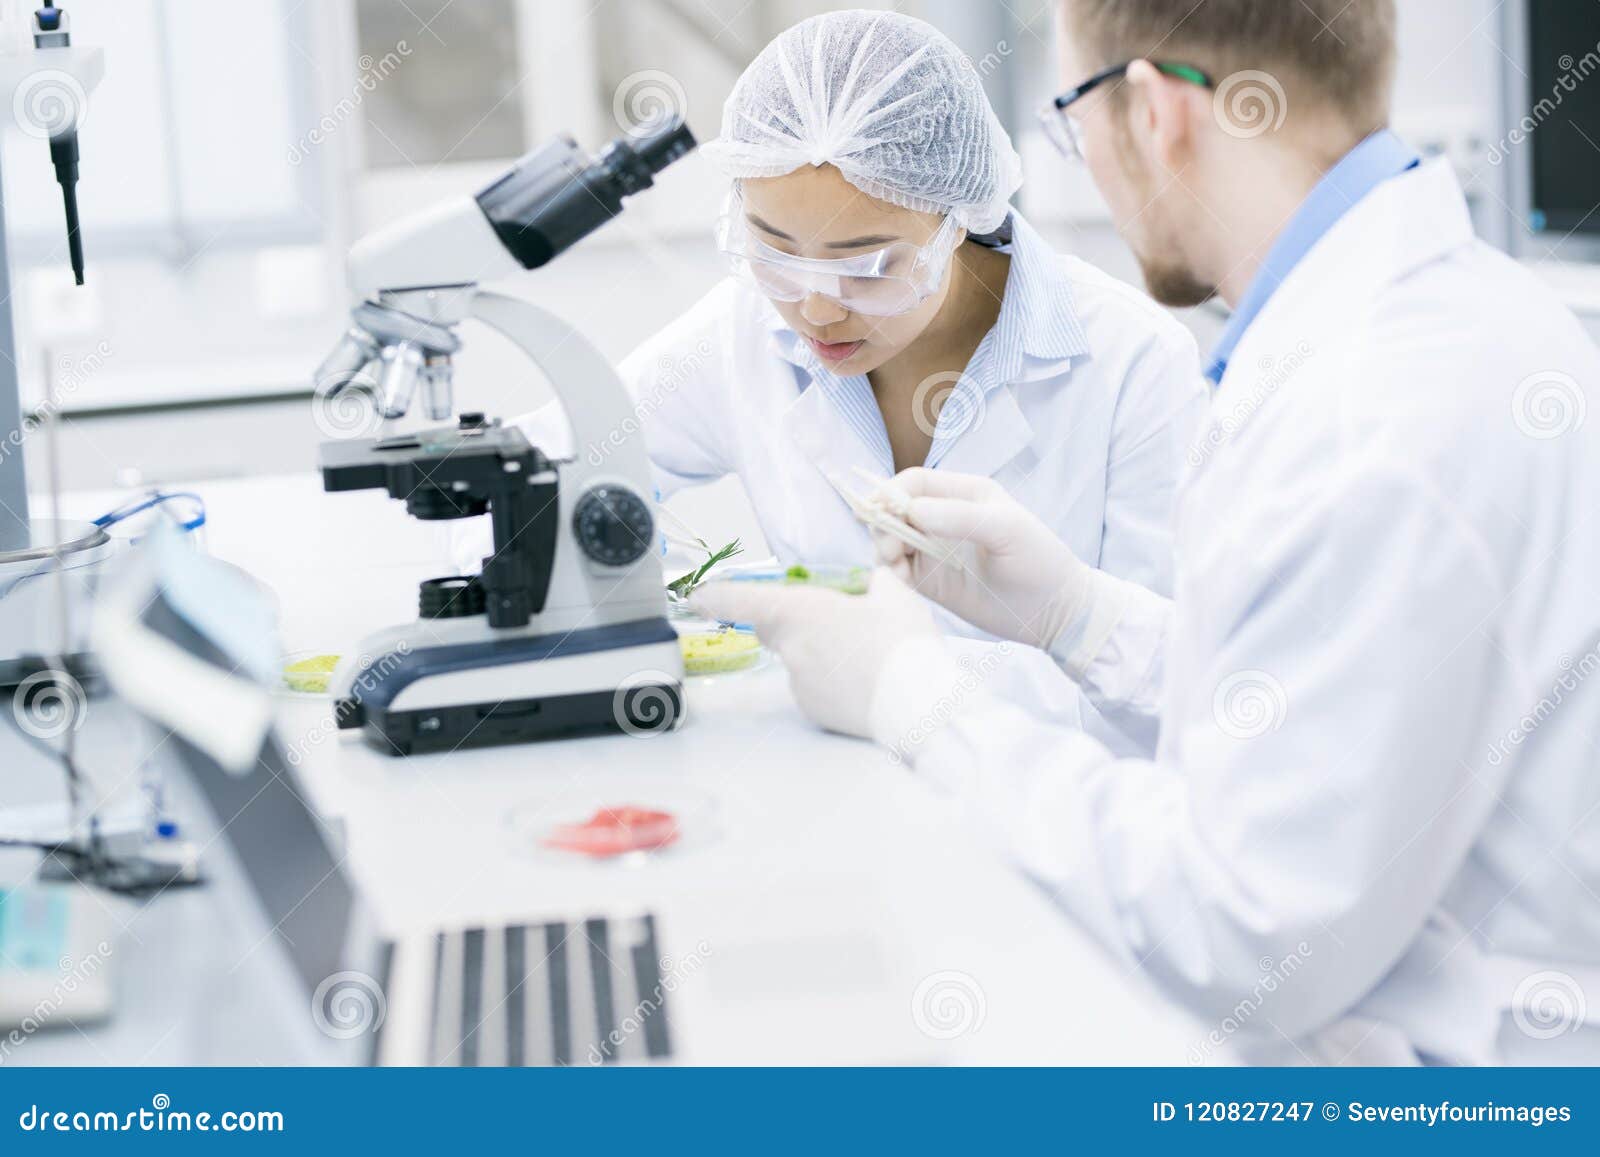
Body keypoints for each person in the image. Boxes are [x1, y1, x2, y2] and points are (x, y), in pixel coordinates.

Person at [695, 0, 1600, 1065]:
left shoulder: (1368, 417)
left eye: (1077, 120)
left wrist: (915, 699)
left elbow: (1243, 930)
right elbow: (1328, 712)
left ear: (1154, 110)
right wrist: (1080, 615)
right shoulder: (1441, 319)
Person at [499, 9, 1207, 748]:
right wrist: (675, 602)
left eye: (866, 266)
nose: (812, 309)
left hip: (1058, 820)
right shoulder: (747, 328)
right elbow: (545, 476)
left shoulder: (1135, 361)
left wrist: (896, 674)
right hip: (839, 804)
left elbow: (1171, 691)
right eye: (773, 253)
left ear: (960, 215)